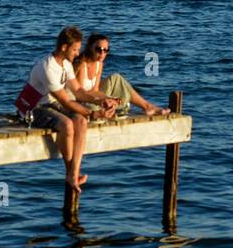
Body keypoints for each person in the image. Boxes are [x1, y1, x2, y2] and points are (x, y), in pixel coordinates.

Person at [25, 26, 113, 192]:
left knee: (80, 121)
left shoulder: (66, 63)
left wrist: (102, 101)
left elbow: (78, 91)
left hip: (55, 104)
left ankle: (73, 173)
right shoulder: (48, 67)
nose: (77, 53)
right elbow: (65, 101)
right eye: (75, 49)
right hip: (36, 107)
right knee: (67, 125)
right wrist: (93, 113)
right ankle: (71, 174)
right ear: (64, 47)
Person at [74, 34, 167, 117]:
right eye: (99, 49)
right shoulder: (82, 64)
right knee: (102, 105)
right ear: (91, 48)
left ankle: (147, 106)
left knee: (117, 78)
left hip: (91, 98)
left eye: (106, 50)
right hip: (80, 101)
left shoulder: (99, 64)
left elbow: (94, 90)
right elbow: (81, 94)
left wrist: (109, 98)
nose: (102, 53)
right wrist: (104, 99)